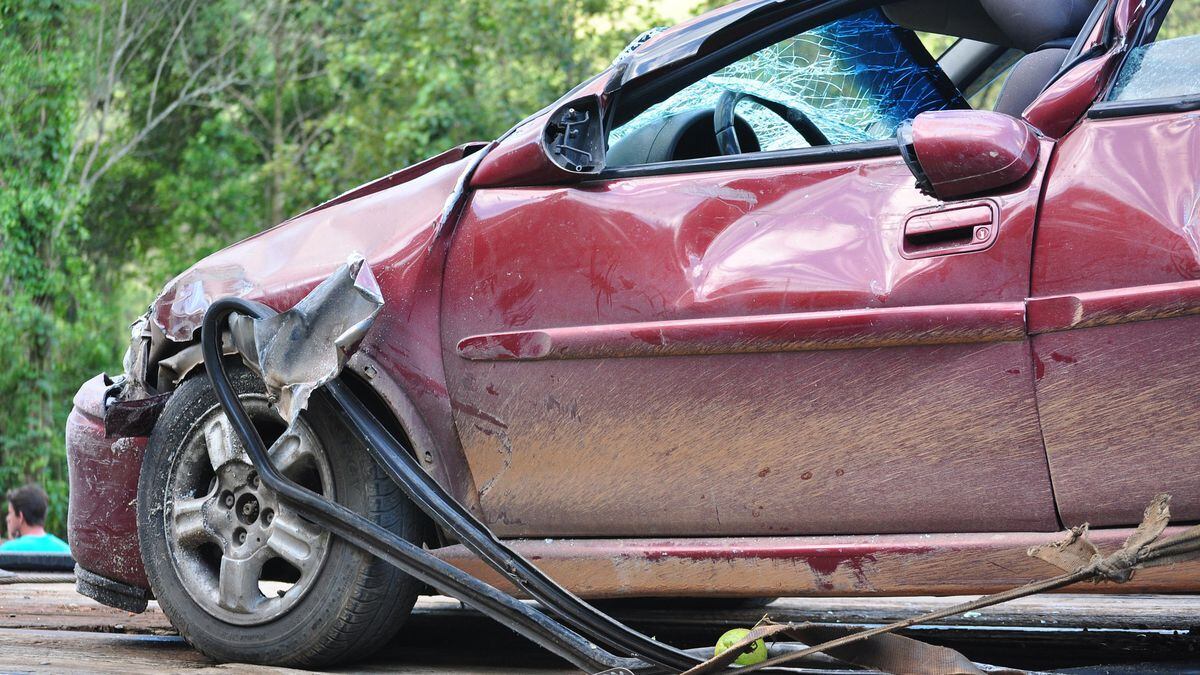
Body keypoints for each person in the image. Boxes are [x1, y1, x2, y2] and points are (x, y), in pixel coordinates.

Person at [2, 484, 70, 553]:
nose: (8, 518)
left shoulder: (5, 551)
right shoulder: (67, 551)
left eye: (10, 513)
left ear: (20, 516)